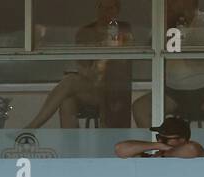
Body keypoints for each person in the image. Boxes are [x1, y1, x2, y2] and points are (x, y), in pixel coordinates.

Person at [25, 0, 134, 129]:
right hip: (93, 86)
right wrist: (98, 59)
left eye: (110, 8)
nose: (106, 12)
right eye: (102, 8)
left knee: (69, 83)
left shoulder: (124, 30)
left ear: (117, 10)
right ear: (97, 8)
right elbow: (84, 68)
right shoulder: (86, 32)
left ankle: (31, 128)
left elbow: (125, 62)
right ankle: (70, 141)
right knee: (67, 99)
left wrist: (113, 48)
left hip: (115, 91)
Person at [134, 0, 204, 128]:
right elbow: (150, 47)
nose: (169, 4)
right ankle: (157, 141)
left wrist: (193, 47)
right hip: (175, 90)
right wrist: (164, 27)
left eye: (174, 2)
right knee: (140, 109)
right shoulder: (164, 24)